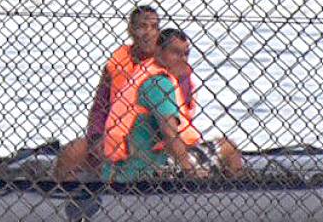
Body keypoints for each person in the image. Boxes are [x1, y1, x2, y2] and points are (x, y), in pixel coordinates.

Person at [98, 27, 244, 183]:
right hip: (145, 170)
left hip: (118, 168)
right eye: (175, 52)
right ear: (158, 52)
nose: (182, 59)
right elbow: (170, 133)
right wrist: (190, 170)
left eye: (186, 54)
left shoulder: (144, 72)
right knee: (228, 147)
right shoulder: (160, 84)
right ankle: (235, 193)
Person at [51, 4, 159, 180]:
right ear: (131, 30)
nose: (149, 33)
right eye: (142, 27)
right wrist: (97, 138)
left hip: (151, 138)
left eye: (154, 27)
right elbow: (100, 108)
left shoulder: (167, 62)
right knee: (72, 153)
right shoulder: (115, 65)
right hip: (113, 136)